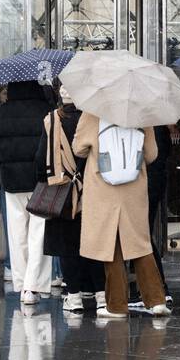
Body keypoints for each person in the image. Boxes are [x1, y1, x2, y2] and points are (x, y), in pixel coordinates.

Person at [74, 111, 168, 318]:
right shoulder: (143, 113)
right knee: (140, 243)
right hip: (134, 187)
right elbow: (151, 154)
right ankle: (156, 300)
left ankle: (116, 306)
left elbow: (79, 148)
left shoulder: (93, 111)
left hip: (102, 187)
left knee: (110, 243)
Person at [40, 84, 103, 315]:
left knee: (67, 245)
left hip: (64, 191)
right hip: (92, 190)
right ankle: (101, 295)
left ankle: (73, 296)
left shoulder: (52, 120)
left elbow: (41, 160)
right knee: (95, 243)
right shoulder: (94, 117)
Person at [0, 80, 52, 304]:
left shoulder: (1, 112)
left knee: (17, 234)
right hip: (40, 181)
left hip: (12, 180)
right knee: (39, 233)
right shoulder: (46, 111)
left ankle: (20, 284)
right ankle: (32, 286)